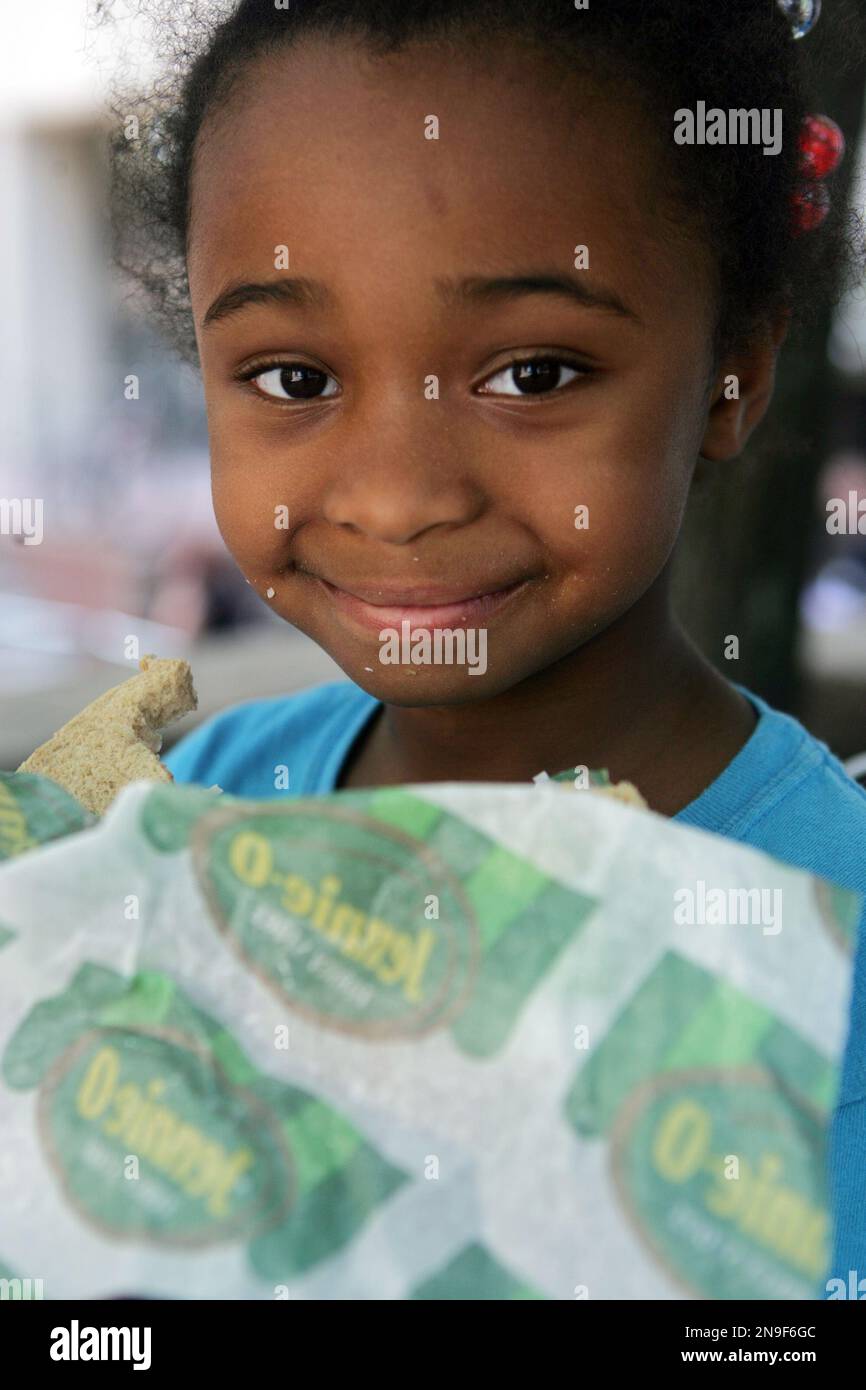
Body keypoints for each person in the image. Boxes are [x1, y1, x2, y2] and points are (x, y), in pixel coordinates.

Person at [106, 0, 866, 1290]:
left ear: (732, 377)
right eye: (295, 378)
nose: (397, 498)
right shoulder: (193, 809)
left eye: (533, 374)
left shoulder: (823, 934)